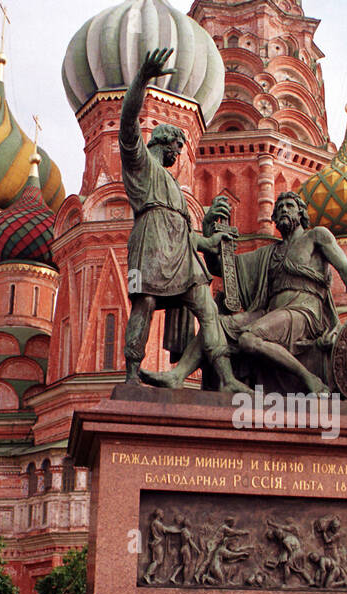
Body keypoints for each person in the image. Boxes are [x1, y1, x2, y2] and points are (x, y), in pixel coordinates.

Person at [143, 190, 347, 395]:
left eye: (290, 206)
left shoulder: (317, 236)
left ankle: (309, 379)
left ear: (301, 214)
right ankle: (177, 376)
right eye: (280, 207)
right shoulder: (270, 254)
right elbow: (223, 268)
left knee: (249, 339)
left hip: (305, 313)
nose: (284, 210)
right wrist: (209, 232)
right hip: (273, 311)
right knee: (216, 325)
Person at [118, 47, 246, 393]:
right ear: (165, 141)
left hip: (181, 252)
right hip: (150, 243)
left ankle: (228, 378)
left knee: (207, 308)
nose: (180, 151)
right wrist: (142, 79)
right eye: (178, 143)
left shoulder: (174, 187)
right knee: (143, 303)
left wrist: (211, 241)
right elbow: (128, 125)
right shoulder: (141, 166)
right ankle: (131, 372)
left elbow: (187, 235)